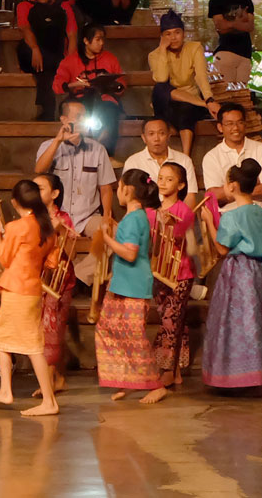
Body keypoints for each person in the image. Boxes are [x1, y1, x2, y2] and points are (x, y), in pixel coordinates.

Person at [200, 159, 262, 391]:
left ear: (232, 186)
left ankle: (239, 375)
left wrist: (210, 222)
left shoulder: (233, 216)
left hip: (239, 270)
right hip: (259, 270)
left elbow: (222, 249)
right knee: (258, 318)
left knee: (236, 321)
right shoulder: (261, 211)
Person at [0, 179, 60, 415]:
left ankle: (49, 401)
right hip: (31, 287)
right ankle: (6, 390)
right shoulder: (46, 226)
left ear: (14, 202)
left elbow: (4, 259)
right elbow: (53, 262)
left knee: (32, 346)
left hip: (18, 289)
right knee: (1, 339)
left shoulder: (18, 227)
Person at [93, 170, 170, 404]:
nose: (118, 191)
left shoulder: (135, 218)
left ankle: (155, 385)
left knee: (133, 337)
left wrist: (107, 239)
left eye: (119, 187)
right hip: (126, 284)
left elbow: (129, 252)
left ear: (127, 189)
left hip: (133, 285)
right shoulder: (135, 218)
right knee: (110, 330)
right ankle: (129, 380)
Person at [34, 98, 116, 243]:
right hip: (55, 215)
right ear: (64, 120)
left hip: (88, 216)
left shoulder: (97, 149)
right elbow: (39, 169)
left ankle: (87, 267)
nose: (83, 120)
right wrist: (57, 141)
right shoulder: (49, 145)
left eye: (85, 116)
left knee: (114, 232)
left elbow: (106, 187)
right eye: (78, 117)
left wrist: (106, 218)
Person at [148, 162, 197, 387]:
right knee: (171, 320)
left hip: (180, 273)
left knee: (170, 320)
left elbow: (191, 246)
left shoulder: (183, 211)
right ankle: (175, 369)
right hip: (159, 272)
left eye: (169, 179)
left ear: (181, 184)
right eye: (161, 177)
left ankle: (167, 370)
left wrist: (171, 227)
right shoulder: (152, 212)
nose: (163, 182)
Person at [148, 10, 220, 155]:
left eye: (177, 32)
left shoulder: (194, 48)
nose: (173, 38)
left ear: (184, 34)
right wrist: (163, 49)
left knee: (185, 110)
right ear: (162, 37)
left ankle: (186, 157)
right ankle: (202, 104)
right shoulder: (154, 55)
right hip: (166, 104)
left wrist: (209, 98)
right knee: (160, 88)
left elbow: (201, 76)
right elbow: (161, 79)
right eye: (168, 34)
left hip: (190, 104)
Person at [34, 172, 76, 395]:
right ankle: (55, 377)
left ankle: (50, 377)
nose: (35, 191)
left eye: (40, 187)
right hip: (36, 280)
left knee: (53, 328)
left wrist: (60, 230)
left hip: (58, 281)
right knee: (42, 329)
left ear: (55, 193)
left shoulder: (64, 218)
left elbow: (71, 253)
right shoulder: (31, 218)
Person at [16, 0, 78, 121]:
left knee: (46, 73)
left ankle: (47, 112)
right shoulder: (24, 6)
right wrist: (35, 49)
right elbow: (25, 29)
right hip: (31, 52)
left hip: (54, 56)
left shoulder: (63, 7)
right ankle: (50, 110)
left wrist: (69, 62)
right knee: (42, 62)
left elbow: (72, 35)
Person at [53, 23, 124, 152]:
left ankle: (106, 152)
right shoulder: (70, 60)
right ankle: (76, 150)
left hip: (104, 99)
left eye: (103, 39)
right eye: (98, 39)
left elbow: (122, 84)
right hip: (80, 99)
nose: (101, 43)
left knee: (109, 109)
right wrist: (75, 84)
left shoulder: (110, 58)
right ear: (86, 41)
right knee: (74, 111)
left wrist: (111, 85)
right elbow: (57, 86)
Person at [200, 102, 262, 198]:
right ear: (220, 127)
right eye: (229, 124)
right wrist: (251, 189)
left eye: (240, 122)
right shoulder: (212, 156)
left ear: (245, 124)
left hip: (257, 209)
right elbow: (214, 194)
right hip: (227, 211)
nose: (235, 128)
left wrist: (230, 191)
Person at [122, 117, 200, 193]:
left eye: (161, 133)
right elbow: (128, 197)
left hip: (177, 206)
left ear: (169, 136)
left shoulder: (184, 160)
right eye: (151, 134)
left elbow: (190, 195)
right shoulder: (133, 162)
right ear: (144, 138)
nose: (156, 139)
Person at [208, 0, 255, 84]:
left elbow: (250, 26)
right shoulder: (217, 0)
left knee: (242, 93)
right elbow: (220, 26)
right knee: (225, 93)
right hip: (226, 51)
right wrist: (238, 23)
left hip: (245, 53)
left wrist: (230, 24)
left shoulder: (246, 1)